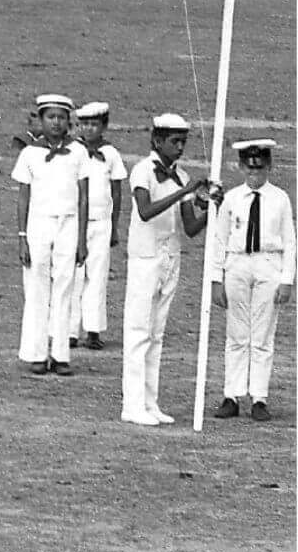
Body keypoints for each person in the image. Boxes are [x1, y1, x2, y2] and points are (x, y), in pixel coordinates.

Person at [119, 114, 209, 426]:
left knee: (156, 333)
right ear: (158, 141)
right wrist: (184, 192)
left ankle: (150, 402)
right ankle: (132, 405)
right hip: (145, 259)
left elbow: (191, 227)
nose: (180, 147)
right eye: (175, 141)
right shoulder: (143, 170)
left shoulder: (181, 176)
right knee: (138, 331)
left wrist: (211, 207)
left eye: (183, 141)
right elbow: (145, 211)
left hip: (170, 257)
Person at [208, 140, 295, 422]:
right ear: (241, 167)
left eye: (259, 168)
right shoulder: (233, 198)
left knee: (262, 335)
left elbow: (290, 241)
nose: (254, 173)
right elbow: (220, 239)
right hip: (238, 262)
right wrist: (216, 278)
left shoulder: (280, 198)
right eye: (249, 167)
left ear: (268, 166)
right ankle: (232, 395)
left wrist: (287, 279)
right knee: (236, 333)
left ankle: (259, 397)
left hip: (268, 262)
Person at [11, 94, 89, 376]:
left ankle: (60, 354)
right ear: (41, 120)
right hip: (39, 224)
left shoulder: (78, 152)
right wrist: (22, 237)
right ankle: (37, 353)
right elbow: (23, 197)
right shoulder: (30, 153)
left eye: (61, 118)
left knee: (65, 287)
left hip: (68, 223)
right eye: (50, 117)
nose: (56, 123)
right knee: (36, 287)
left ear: (69, 121)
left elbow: (83, 197)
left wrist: (81, 239)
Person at [69, 102, 127, 352]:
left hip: (101, 222)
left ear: (104, 126)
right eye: (85, 124)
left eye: (94, 124)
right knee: (73, 276)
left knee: (98, 275)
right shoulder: (72, 150)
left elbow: (117, 191)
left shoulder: (110, 153)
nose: (89, 129)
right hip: (74, 221)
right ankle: (70, 330)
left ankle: (93, 330)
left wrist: (114, 225)